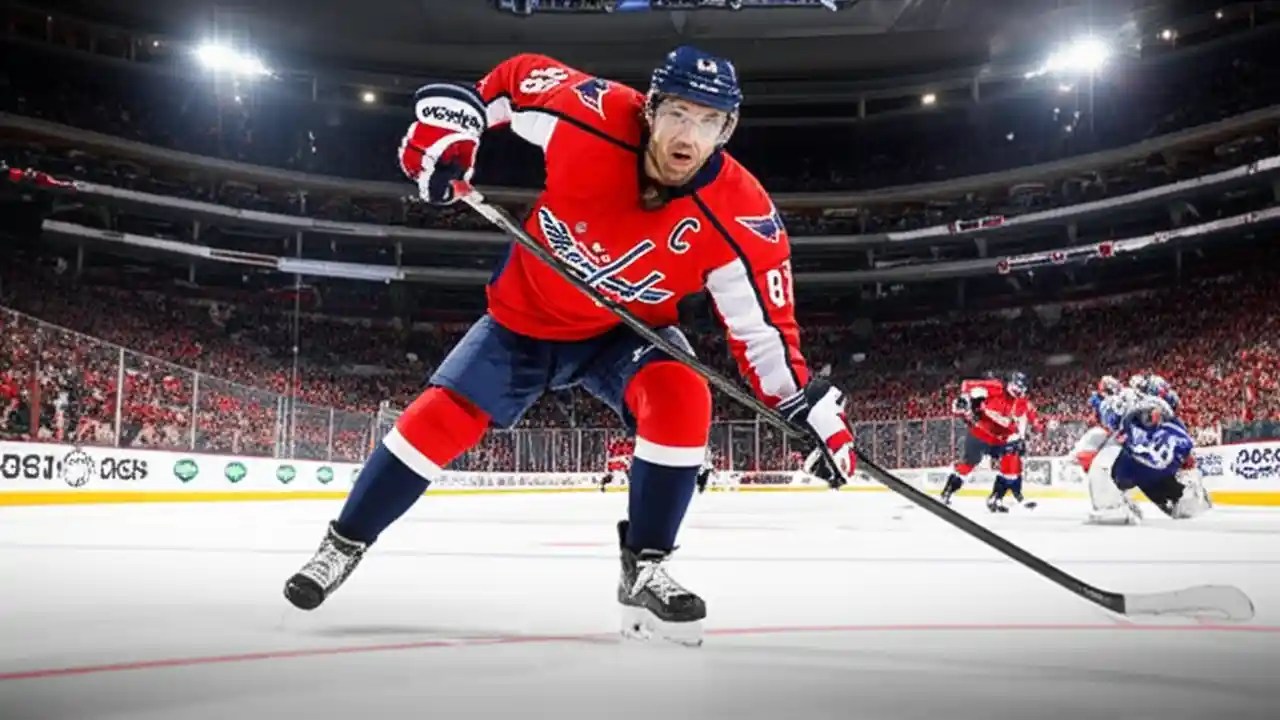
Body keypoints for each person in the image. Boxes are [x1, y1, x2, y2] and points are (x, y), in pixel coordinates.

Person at [282, 46, 857, 647]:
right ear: (651, 109)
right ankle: (342, 543)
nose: (691, 135)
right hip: (524, 319)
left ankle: (647, 565)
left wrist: (803, 404)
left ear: (728, 130)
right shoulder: (592, 111)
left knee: (684, 394)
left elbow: (763, 329)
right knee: (439, 419)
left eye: (711, 121)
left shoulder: (743, 215)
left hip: (625, 334)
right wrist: (458, 125)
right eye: (680, 114)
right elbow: (506, 81)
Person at [1086, 385, 1211, 525]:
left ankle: (1111, 508)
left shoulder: (1126, 408)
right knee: (1181, 501)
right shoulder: (1176, 428)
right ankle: (1187, 502)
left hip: (1133, 465)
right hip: (1149, 471)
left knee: (1102, 466)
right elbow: (1188, 458)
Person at [938, 371, 1034, 512]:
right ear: (1010, 383)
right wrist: (964, 398)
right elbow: (967, 385)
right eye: (1016, 386)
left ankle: (996, 498)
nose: (1018, 391)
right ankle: (947, 493)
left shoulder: (1022, 403)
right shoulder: (996, 387)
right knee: (968, 465)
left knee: (1010, 468)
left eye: (1022, 388)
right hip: (980, 434)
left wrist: (1021, 439)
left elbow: (1022, 422)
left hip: (1000, 440)